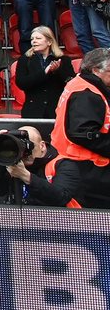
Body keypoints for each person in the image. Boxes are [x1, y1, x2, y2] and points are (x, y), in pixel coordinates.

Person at [43, 48, 110, 207]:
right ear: (96, 70)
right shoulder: (86, 92)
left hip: (73, 162)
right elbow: (82, 133)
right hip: (85, 166)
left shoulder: (79, 83)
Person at [0, 125, 60, 204]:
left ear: (42, 146)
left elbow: (61, 197)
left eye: (29, 146)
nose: (26, 152)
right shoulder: (14, 163)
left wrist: (26, 176)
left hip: (48, 214)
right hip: (16, 214)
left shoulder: (60, 163)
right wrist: (2, 152)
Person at [16, 26, 76, 119]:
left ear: (49, 42)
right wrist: (44, 72)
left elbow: (70, 82)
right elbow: (21, 83)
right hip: (33, 110)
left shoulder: (63, 59)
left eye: (38, 38)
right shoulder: (24, 60)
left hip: (56, 109)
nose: (34, 41)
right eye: (32, 39)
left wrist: (58, 70)